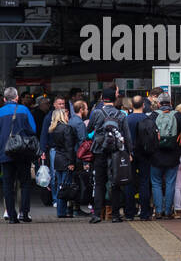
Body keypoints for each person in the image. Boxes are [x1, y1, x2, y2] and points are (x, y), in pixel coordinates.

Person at [87, 85, 134, 224]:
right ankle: (115, 215)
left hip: (99, 151)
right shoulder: (121, 114)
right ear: (115, 99)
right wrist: (129, 152)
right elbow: (127, 135)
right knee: (115, 183)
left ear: (102, 98)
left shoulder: (96, 112)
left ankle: (96, 214)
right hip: (116, 152)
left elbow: (89, 129)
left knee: (99, 183)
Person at [0, 87, 37, 224]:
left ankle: (11, 215)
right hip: (22, 151)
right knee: (25, 183)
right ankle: (24, 213)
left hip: (5, 152)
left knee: (8, 184)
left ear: (5, 99)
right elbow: (33, 129)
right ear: (17, 98)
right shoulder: (24, 110)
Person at [147, 93, 181, 219]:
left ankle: (158, 211)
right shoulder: (178, 116)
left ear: (158, 103)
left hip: (156, 156)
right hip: (173, 156)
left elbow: (148, 134)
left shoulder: (153, 116)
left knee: (156, 183)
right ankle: (168, 212)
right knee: (170, 183)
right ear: (171, 102)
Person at [44, 106, 78, 218]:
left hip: (57, 158)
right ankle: (62, 211)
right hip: (66, 159)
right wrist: (72, 162)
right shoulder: (66, 128)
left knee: (60, 185)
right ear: (62, 116)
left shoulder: (53, 129)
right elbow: (69, 147)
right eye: (66, 114)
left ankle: (60, 210)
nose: (68, 116)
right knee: (65, 186)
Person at [125, 96, 153, 221]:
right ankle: (145, 213)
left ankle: (129, 213)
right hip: (145, 154)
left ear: (132, 105)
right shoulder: (148, 119)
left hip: (130, 155)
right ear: (143, 105)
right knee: (144, 182)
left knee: (129, 183)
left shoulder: (126, 119)